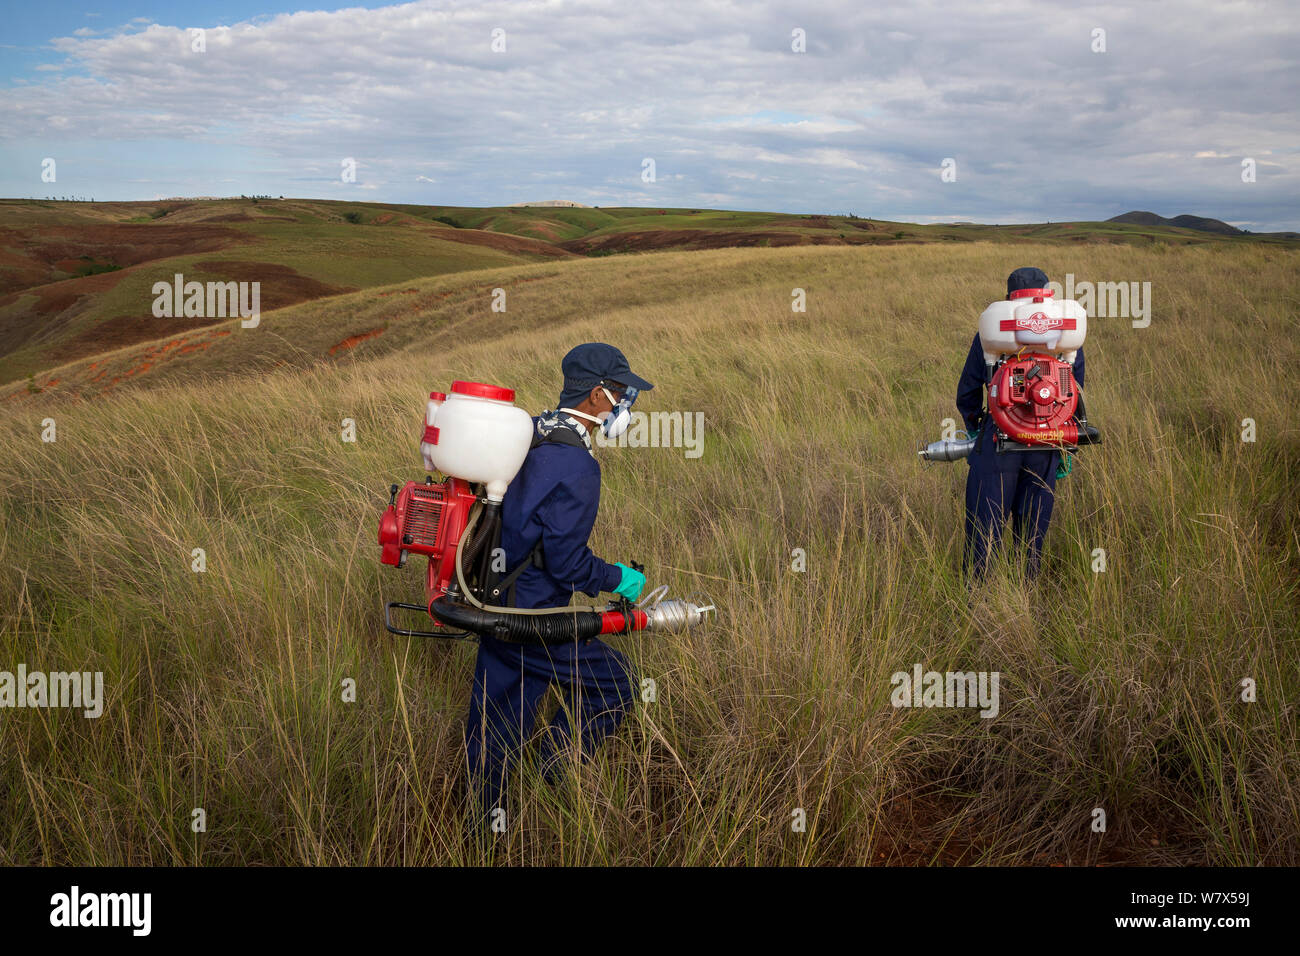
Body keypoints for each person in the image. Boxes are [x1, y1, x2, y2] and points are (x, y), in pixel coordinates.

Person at [464, 342, 653, 827]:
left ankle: (481, 829)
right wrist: (619, 578)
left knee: (496, 726)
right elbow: (567, 566)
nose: (626, 406)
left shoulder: (532, 435)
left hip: (489, 602)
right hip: (534, 620)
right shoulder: (578, 466)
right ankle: (555, 764)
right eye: (622, 394)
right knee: (620, 685)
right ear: (596, 396)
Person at [957, 267, 1086, 580]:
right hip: (1048, 440)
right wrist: (1063, 444)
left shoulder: (993, 331)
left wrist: (977, 427)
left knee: (984, 530)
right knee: (1032, 531)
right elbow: (1075, 389)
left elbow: (969, 389)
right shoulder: (1066, 334)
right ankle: (1026, 591)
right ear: (1046, 294)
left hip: (997, 440)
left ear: (1009, 296)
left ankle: (978, 600)